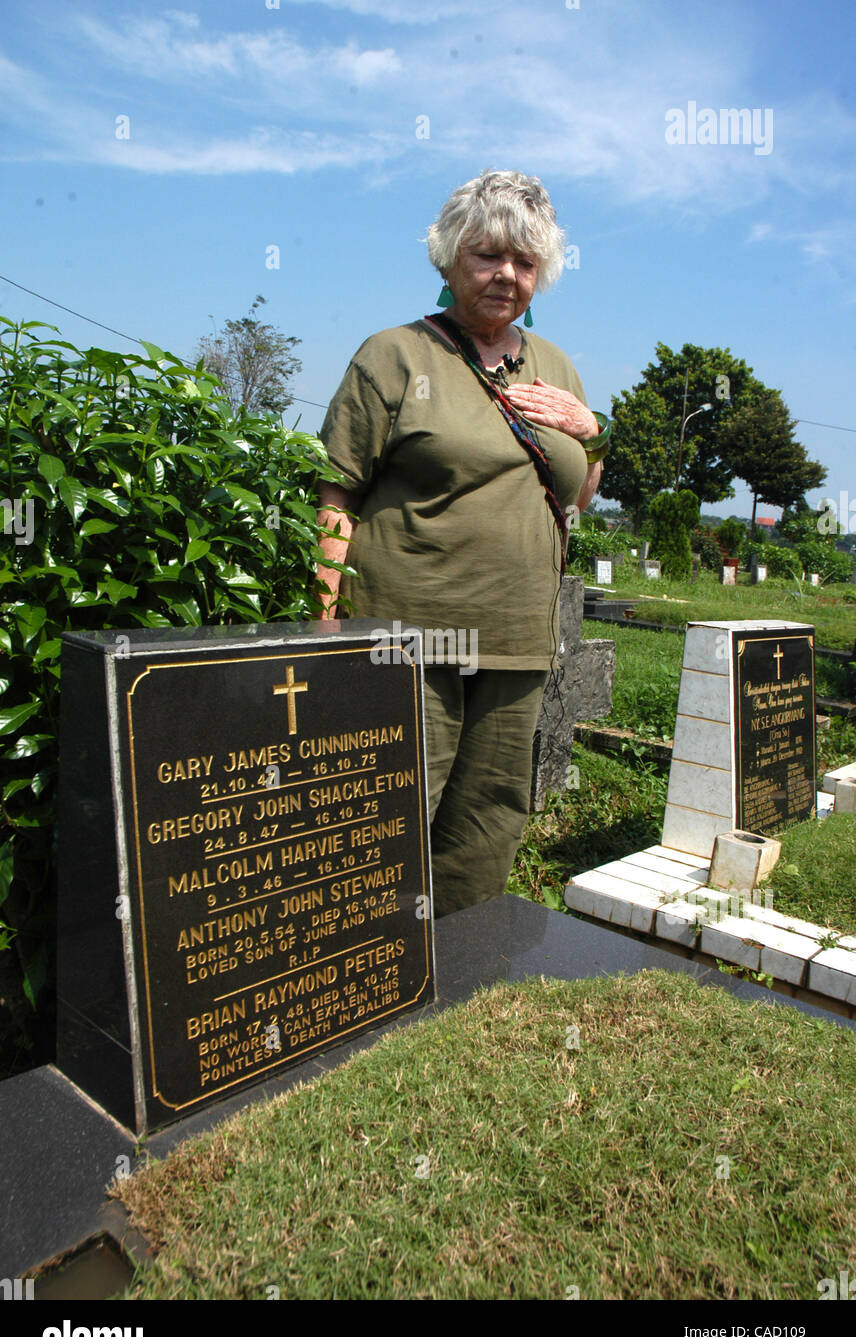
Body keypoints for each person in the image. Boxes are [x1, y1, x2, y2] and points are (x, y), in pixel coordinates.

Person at [314, 170, 610, 918]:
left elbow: (578, 496)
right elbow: (333, 495)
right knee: (388, 813)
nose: (506, 275)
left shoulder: (558, 367)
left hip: (517, 639)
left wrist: (590, 431)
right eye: (487, 255)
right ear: (448, 259)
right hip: (407, 634)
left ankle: (455, 974)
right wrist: (320, 621)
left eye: (524, 261)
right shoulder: (394, 355)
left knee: (488, 820)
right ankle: (363, 970)